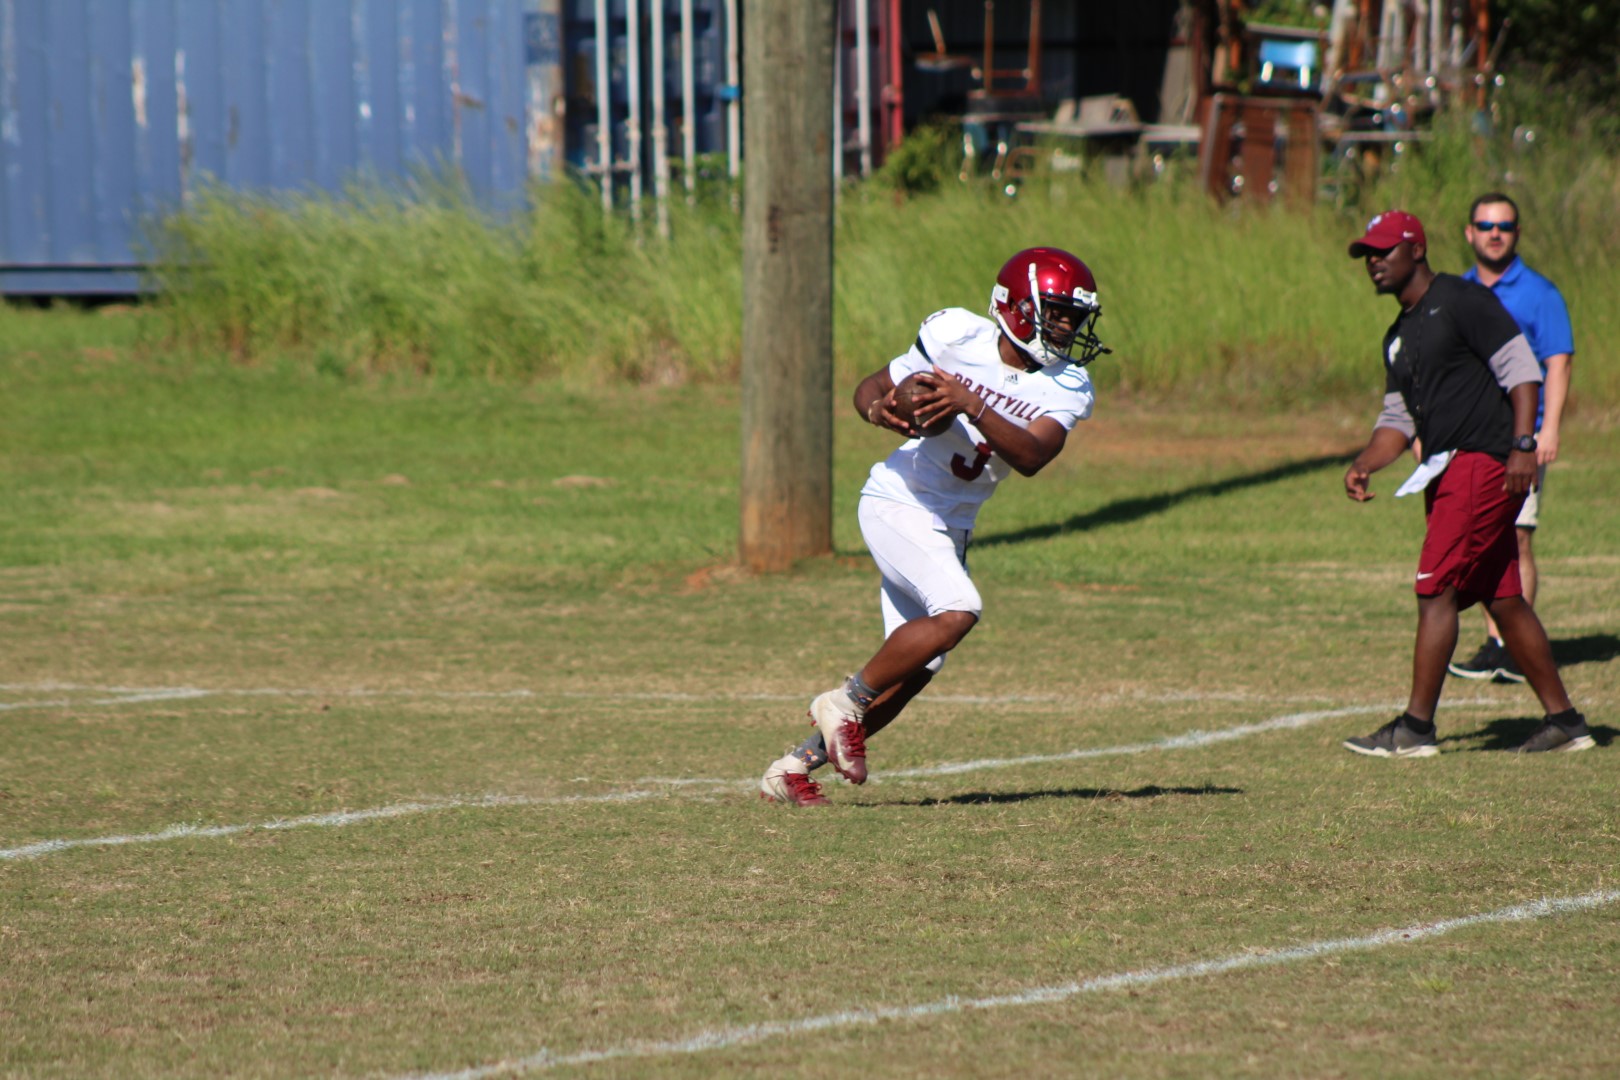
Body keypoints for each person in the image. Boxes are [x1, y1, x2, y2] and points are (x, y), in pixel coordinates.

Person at [759, 247, 1108, 805]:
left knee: (922, 662)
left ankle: (791, 769)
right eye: (1056, 312)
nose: (1066, 326)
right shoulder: (956, 336)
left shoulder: (1067, 383)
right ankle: (843, 701)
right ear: (1013, 306)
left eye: (1074, 316)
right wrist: (879, 410)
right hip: (898, 499)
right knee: (959, 610)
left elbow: (1034, 454)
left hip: (952, 523)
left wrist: (973, 405)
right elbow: (870, 388)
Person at [1338, 210, 1592, 756]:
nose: (1375, 263)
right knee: (1503, 599)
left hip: (1480, 464)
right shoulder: (1398, 336)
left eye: (1385, 251)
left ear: (1417, 250)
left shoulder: (1461, 298)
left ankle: (1415, 729)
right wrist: (1364, 461)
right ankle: (1566, 722)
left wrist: (1523, 445)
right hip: (1446, 472)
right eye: (1368, 255)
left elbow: (1522, 369)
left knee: (1436, 591)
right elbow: (1397, 420)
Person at [1446, 193, 1575, 684]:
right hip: (1464, 436)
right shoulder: (1454, 292)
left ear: (1516, 233)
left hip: (1519, 439)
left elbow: (1558, 361)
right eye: (1484, 224)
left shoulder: (1540, 293)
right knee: (1476, 541)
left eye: (1503, 226)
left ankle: (1512, 647)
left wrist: (1549, 428)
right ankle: (1497, 642)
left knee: (1517, 537)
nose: (1494, 233)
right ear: (1469, 233)